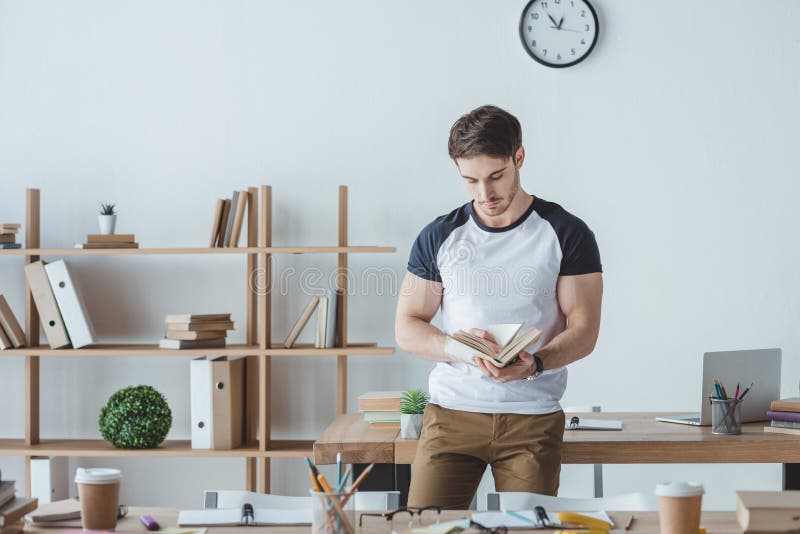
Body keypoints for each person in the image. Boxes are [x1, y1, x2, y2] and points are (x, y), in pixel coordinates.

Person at [395, 105, 603, 509]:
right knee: (426, 527)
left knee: (528, 528)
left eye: (495, 176)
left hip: (532, 417)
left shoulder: (566, 233)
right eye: (470, 180)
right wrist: (460, 348)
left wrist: (535, 363)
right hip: (451, 414)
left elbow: (585, 330)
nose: (484, 194)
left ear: (518, 158)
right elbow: (408, 325)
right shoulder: (440, 235)